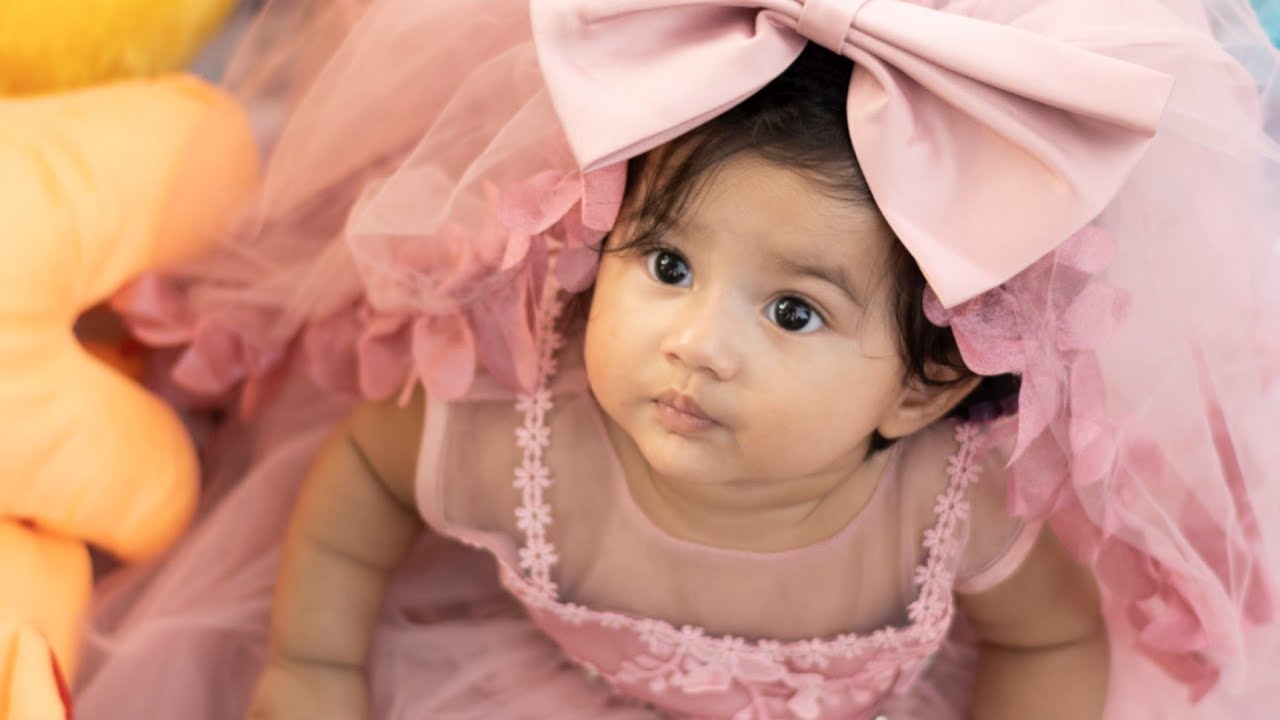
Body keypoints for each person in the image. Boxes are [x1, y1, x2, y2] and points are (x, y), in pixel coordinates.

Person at [75, 0, 1280, 718]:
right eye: (664, 267)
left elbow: (1054, 641)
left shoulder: (938, 508)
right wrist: (313, 666)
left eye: (794, 315)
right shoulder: (523, 435)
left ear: (926, 382)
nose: (695, 345)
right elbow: (364, 482)